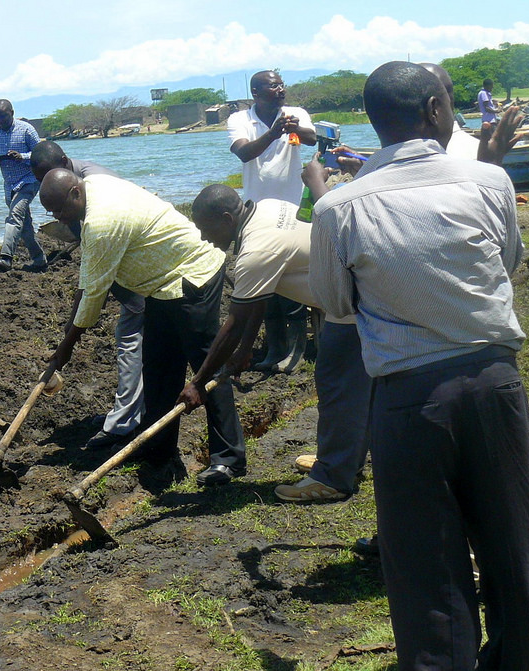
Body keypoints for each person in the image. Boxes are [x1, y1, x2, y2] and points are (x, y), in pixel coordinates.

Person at [308, 61, 529, 670]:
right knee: (509, 542)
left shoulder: (337, 208)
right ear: (436, 112)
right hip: (494, 382)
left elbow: (336, 304)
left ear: (373, 121)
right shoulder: (488, 182)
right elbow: (507, 264)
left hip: (408, 398)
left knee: (425, 563)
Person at [40, 170, 246, 487]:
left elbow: (95, 293)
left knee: (207, 367)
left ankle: (228, 459)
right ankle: (157, 449)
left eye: (60, 209)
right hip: (160, 287)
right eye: (50, 212)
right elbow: (87, 277)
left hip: (192, 276)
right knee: (158, 369)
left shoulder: (101, 223)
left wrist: (66, 346)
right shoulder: (94, 185)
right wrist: (66, 339)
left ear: (75, 193)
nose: (58, 217)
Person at [178, 184, 371, 501]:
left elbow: (235, 322)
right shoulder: (266, 208)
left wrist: (198, 381)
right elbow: (260, 298)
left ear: (226, 219)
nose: (202, 237)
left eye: (204, 228)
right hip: (354, 296)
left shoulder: (257, 251)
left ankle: (334, 477)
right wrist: (243, 352)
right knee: (351, 389)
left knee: (337, 386)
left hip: (352, 308)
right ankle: (343, 460)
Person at [30, 141, 145, 449]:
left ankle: (124, 421)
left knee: (131, 336)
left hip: (140, 267)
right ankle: (132, 414)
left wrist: (70, 338)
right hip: (125, 263)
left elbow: (95, 282)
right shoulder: (71, 189)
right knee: (138, 337)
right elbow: (91, 270)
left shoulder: (97, 185)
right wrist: (72, 322)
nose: (59, 216)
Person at [227, 70, 317, 374]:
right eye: (273, 86)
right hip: (257, 210)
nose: (281, 89)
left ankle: (295, 350)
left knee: (291, 276)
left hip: (293, 208)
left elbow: (312, 139)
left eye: (282, 84)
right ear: (256, 92)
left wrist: (294, 127)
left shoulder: (295, 113)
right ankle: (274, 348)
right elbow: (243, 152)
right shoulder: (241, 120)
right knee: (268, 285)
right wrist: (273, 132)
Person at [0, 99, 46, 272]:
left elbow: (41, 154)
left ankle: (5, 258)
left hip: (29, 180)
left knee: (15, 215)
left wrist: (22, 156)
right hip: (9, 184)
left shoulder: (26, 130)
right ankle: (40, 261)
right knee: (24, 226)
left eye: (4, 116)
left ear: (12, 113)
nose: (0, 120)